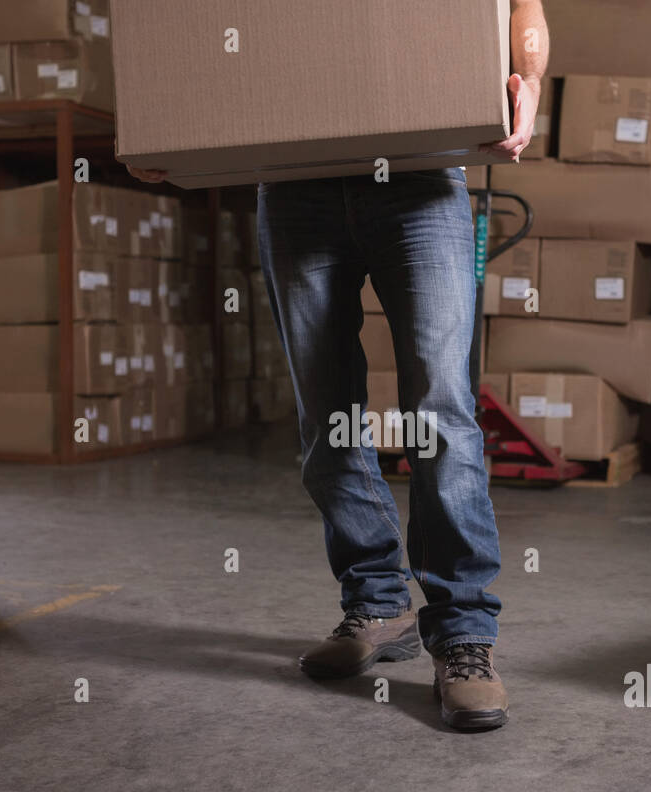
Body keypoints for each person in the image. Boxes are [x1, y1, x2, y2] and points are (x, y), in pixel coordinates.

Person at [130, 1, 549, 731]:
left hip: (421, 179)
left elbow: (518, 4)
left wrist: (529, 79)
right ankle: (378, 604)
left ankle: (463, 636)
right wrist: (157, 113)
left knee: (440, 411)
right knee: (326, 415)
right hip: (295, 183)